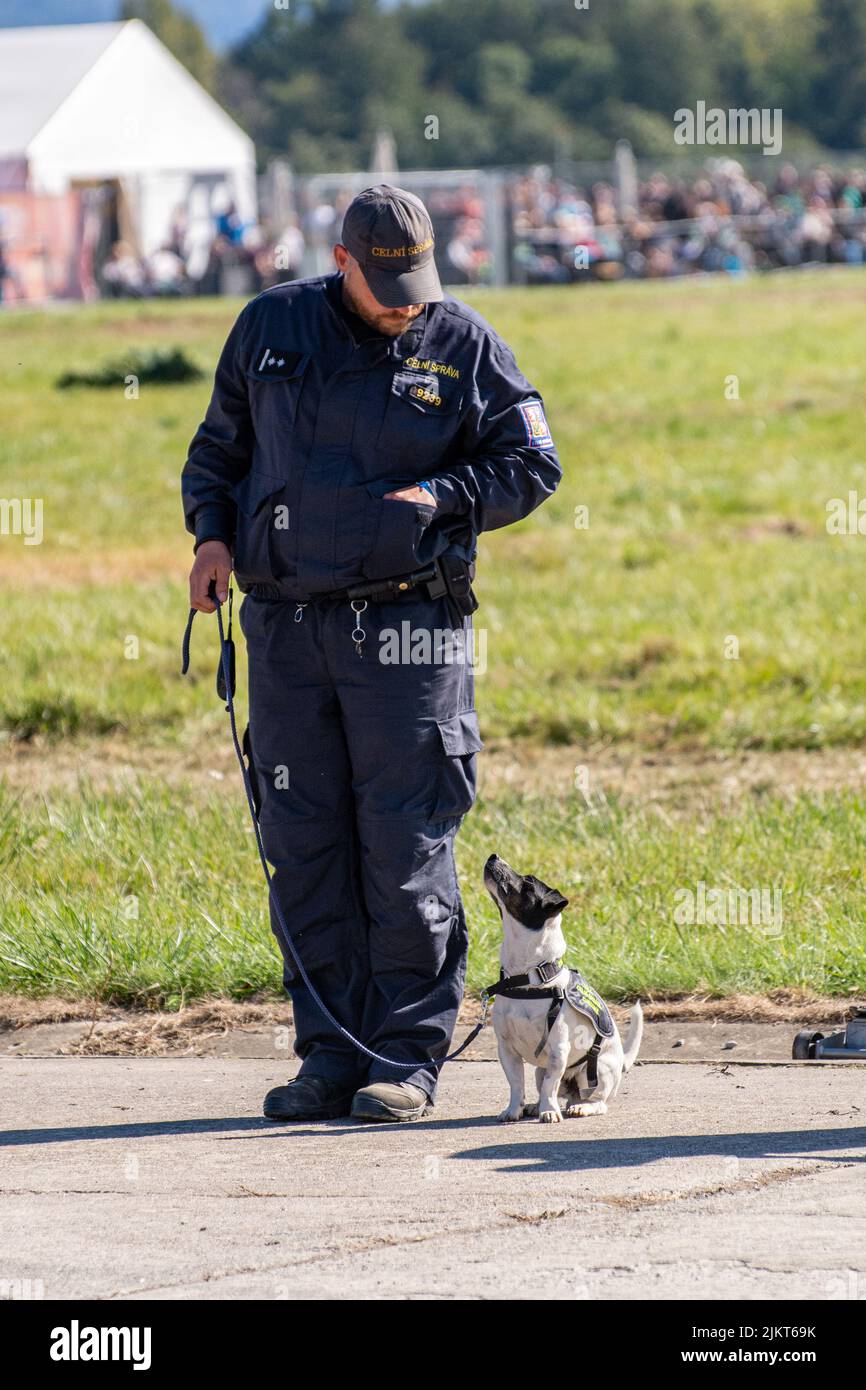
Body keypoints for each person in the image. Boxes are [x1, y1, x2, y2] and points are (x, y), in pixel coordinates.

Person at [182, 184, 560, 1123]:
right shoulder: (269, 327)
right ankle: (329, 1056)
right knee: (304, 846)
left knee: (403, 845)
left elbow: (533, 461)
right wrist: (211, 538)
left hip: (407, 635)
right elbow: (218, 449)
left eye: (418, 282)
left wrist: (445, 497)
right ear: (342, 259)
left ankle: (405, 1057)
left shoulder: (461, 341)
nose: (406, 300)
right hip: (286, 631)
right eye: (386, 280)